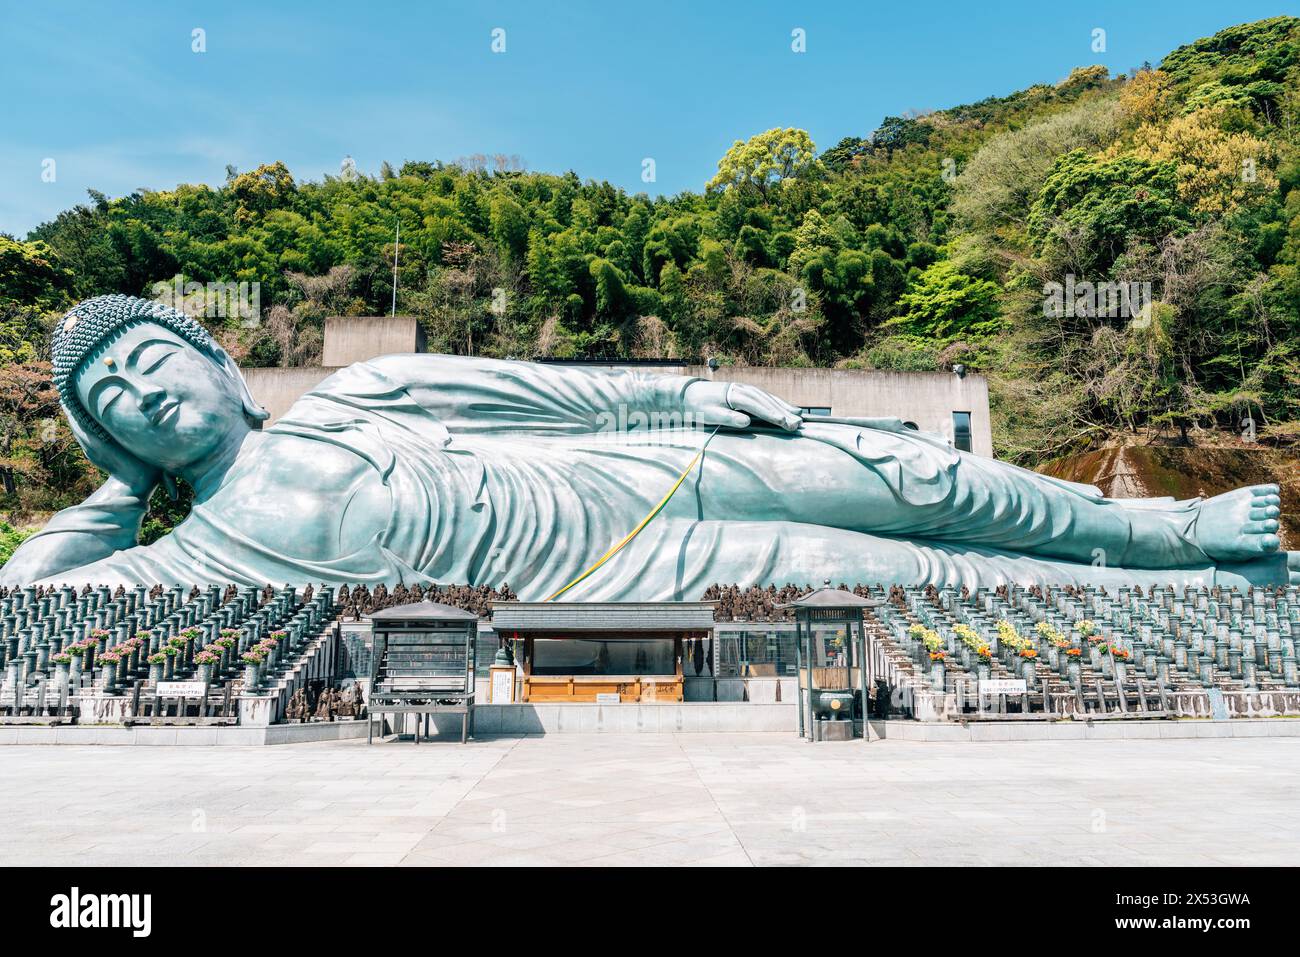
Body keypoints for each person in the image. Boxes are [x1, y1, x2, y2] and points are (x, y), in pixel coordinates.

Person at [2, 295, 1295, 596]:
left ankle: (1152, 526)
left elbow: (554, 392)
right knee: (878, 568)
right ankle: (1165, 585)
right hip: (605, 574)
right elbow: (26, 600)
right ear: (114, 438)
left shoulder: (366, 387)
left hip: (616, 471)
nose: (140, 388)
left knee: (899, 474)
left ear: (216, 356)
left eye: (148, 354)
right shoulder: (203, 554)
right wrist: (121, 495)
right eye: (110, 396)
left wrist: (685, 393)